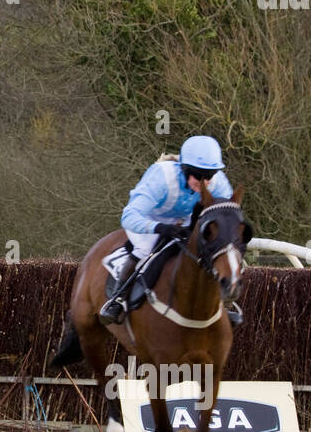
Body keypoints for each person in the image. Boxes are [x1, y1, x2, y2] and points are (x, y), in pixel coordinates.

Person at [99, 135, 233, 324]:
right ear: (185, 170)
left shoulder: (218, 183)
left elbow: (226, 215)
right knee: (145, 249)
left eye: (209, 176)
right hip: (149, 220)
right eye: (198, 175)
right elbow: (129, 217)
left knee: (211, 250)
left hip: (184, 221)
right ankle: (117, 299)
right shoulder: (162, 177)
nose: (204, 182)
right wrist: (161, 228)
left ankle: (224, 303)